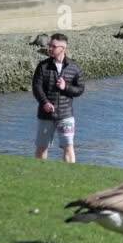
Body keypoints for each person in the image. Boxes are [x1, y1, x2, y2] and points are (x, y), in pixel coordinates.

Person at [32, 33, 85, 163]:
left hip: (66, 115)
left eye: (53, 46)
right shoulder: (43, 66)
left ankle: (70, 177)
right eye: (49, 45)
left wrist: (65, 87)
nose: (50, 48)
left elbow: (80, 89)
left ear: (63, 48)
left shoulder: (74, 67)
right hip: (46, 115)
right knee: (42, 147)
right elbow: (36, 87)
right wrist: (44, 103)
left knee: (68, 147)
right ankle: (38, 175)